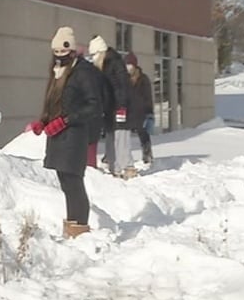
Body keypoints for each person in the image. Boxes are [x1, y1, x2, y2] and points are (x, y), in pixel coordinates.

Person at [28, 27, 104, 239]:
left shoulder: (83, 73)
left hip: (74, 135)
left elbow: (93, 106)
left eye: (64, 54)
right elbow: (55, 103)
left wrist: (66, 121)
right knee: (65, 182)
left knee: (73, 182)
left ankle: (79, 229)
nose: (59, 58)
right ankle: (72, 226)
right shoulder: (56, 72)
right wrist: (43, 121)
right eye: (56, 54)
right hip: (58, 136)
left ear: (72, 51)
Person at [88, 36, 131, 178]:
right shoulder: (102, 66)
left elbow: (122, 86)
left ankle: (126, 166)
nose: (93, 58)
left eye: (94, 54)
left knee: (121, 136)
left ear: (101, 52)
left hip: (119, 106)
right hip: (109, 107)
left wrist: (121, 105)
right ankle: (114, 166)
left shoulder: (115, 63)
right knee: (111, 136)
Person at [125, 52, 154, 166]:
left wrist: (149, 113)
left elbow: (148, 97)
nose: (128, 67)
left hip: (141, 112)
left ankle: (147, 154)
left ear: (135, 65)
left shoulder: (143, 79)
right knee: (122, 135)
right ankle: (118, 156)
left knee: (143, 133)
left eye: (130, 64)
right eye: (126, 64)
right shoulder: (124, 78)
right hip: (128, 111)